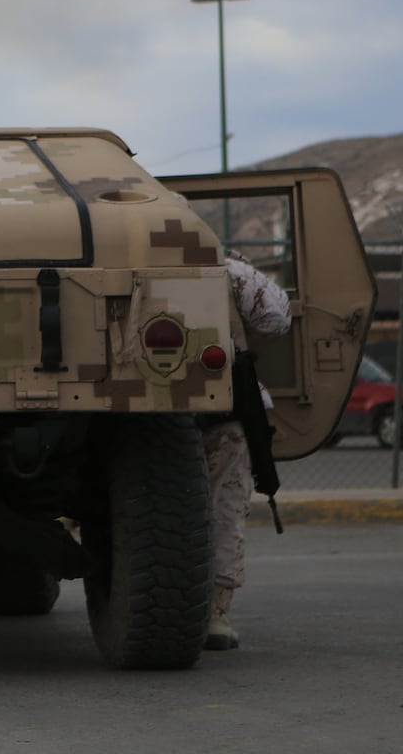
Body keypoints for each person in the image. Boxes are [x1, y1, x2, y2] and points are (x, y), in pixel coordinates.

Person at [204, 250, 291, 651]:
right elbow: (275, 318)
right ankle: (215, 615)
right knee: (224, 507)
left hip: (130, 416)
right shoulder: (223, 268)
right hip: (221, 408)